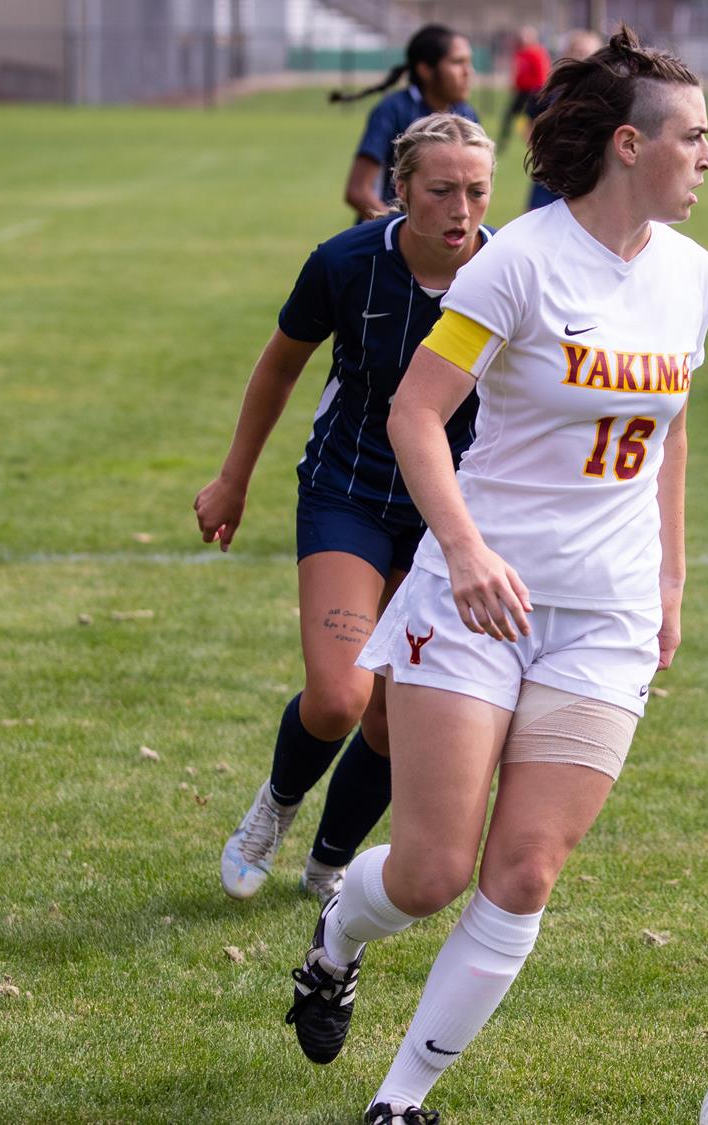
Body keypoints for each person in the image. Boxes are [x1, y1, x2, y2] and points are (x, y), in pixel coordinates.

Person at [284, 28, 708, 1125]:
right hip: (479, 599)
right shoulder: (515, 259)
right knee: (429, 871)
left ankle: (401, 1101)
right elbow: (413, 414)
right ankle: (335, 944)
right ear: (629, 145)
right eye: (693, 137)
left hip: (604, 616)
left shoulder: (692, 275)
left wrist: (669, 585)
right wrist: (466, 552)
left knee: (523, 872)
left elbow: (664, 436)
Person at [198, 115, 499, 904]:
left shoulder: (511, 275)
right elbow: (278, 367)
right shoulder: (344, 262)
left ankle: (330, 861)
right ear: (400, 190)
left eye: (476, 190)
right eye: (440, 190)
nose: (460, 209)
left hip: (449, 520)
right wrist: (234, 479)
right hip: (349, 489)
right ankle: (272, 808)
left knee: (397, 721)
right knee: (339, 696)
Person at [333, 25, 479, 222]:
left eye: (469, 62)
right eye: (457, 62)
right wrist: (401, 232)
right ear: (425, 70)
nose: (468, 72)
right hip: (386, 240)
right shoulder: (392, 110)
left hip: (439, 239)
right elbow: (358, 191)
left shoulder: (466, 115)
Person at [524, 28, 605, 213]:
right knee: (536, 223)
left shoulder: (606, 98)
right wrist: (541, 150)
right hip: (550, 173)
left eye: (587, 53)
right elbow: (530, 123)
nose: (581, 58)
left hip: (589, 176)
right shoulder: (548, 91)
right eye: (575, 51)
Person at [497, 26, 550, 147]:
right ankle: (503, 142)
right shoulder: (520, 53)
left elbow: (541, 76)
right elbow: (519, 73)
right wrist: (515, 84)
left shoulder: (537, 53)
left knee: (531, 119)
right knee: (509, 115)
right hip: (522, 91)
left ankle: (537, 141)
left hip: (534, 92)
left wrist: (528, 86)